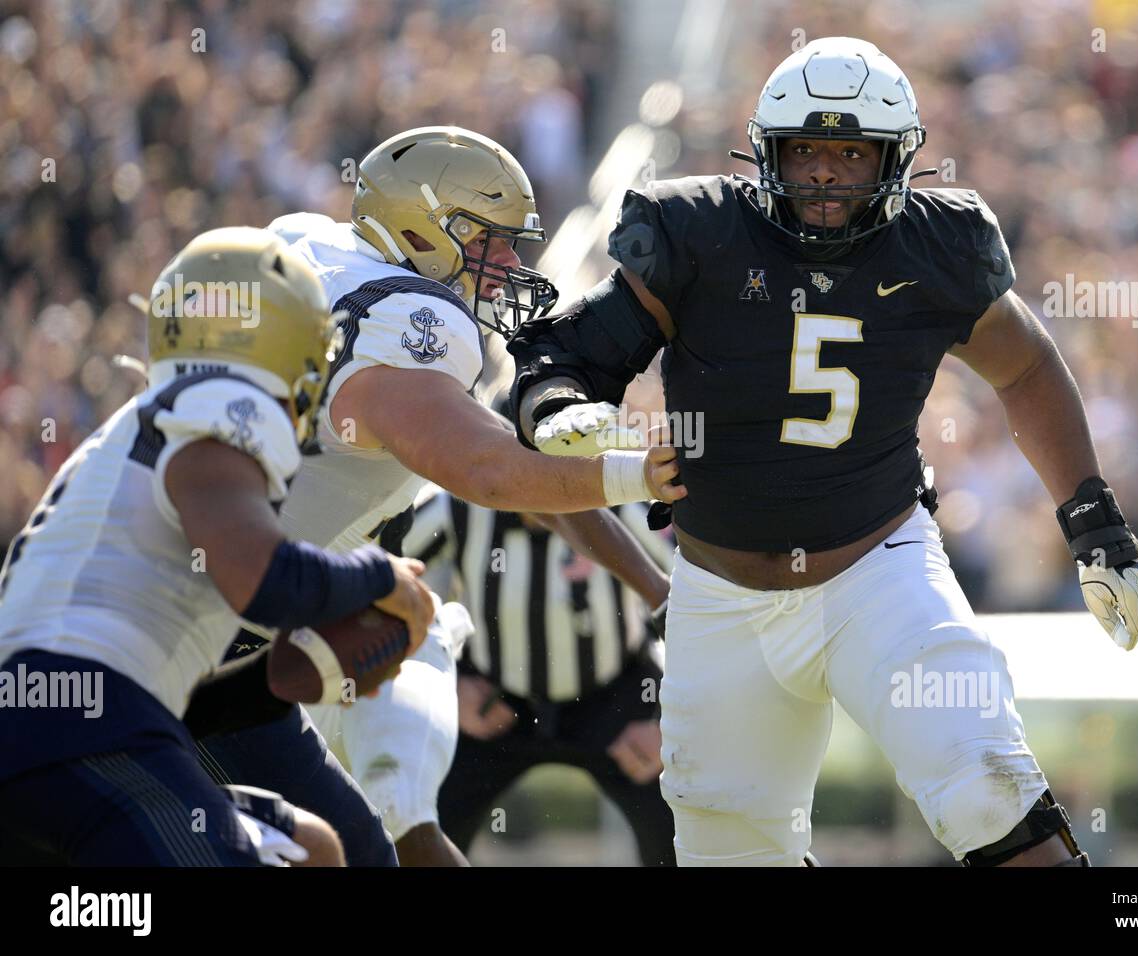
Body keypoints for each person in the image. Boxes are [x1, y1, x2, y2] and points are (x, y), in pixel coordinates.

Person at [507, 37, 1138, 867]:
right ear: (768, 153)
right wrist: (558, 402)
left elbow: (1027, 364)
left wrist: (1093, 520)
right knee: (732, 853)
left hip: (878, 574)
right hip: (719, 595)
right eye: (806, 150)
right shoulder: (700, 232)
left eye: (849, 152)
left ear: (892, 159)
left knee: (986, 784)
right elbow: (570, 354)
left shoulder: (938, 245)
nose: (823, 172)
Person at [195, 127, 685, 867]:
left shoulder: (316, 245)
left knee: (359, 839)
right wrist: (632, 475)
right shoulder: (413, 322)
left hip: (234, 608)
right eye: (493, 242)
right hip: (197, 634)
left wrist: (653, 587)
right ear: (423, 233)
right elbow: (489, 472)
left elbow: (516, 479)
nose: (513, 264)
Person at [0, 227, 433, 865]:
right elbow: (266, 579)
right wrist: (377, 580)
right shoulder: (221, 407)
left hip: (66, 725)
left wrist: (285, 677)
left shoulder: (157, 428)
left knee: (313, 849)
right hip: (76, 734)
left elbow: (176, 700)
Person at [401, 480, 677, 866]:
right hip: (490, 702)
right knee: (412, 824)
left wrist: (664, 718)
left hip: (616, 701)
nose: (543, 474)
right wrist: (445, 684)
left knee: (683, 826)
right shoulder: (454, 507)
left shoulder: (625, 507)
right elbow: (380, 584)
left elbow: (701, 600)